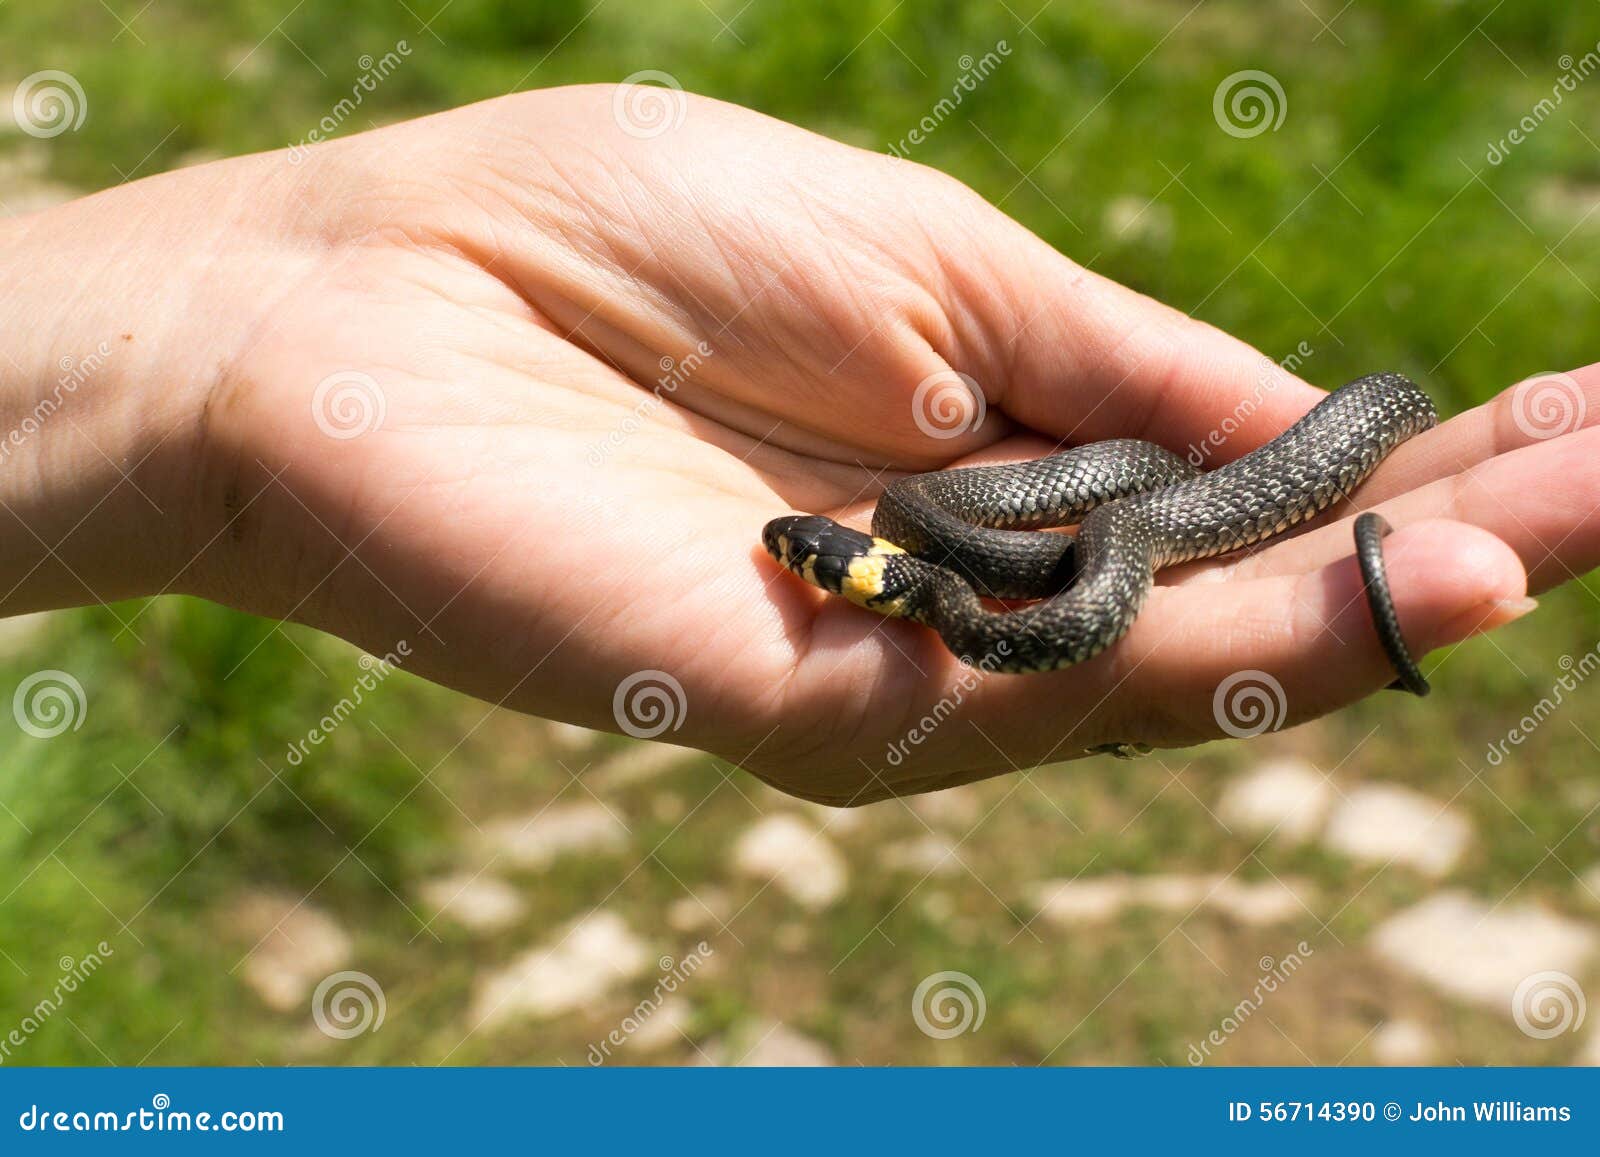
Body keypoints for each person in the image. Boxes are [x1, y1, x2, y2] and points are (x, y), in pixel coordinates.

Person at [0, 86, 1586, 805]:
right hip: (1082, 530)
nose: (794, 556)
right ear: (901, 586)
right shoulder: (962, 552)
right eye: (815, 556)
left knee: (1343, 436)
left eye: (809, 552)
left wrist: (234, 350)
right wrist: (229, 351)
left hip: (1174, 491)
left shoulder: (966, 556)